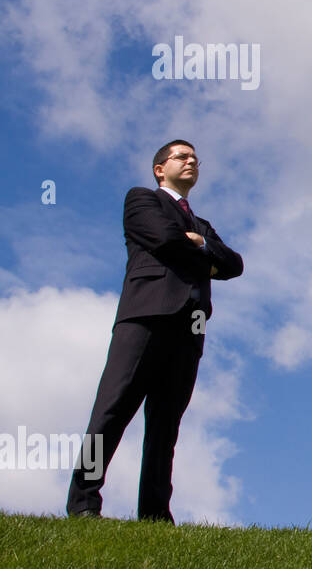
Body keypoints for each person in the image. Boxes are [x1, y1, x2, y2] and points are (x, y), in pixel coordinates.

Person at [66, 139, 243, 523]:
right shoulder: (141, 199)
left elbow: (235, 265)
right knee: (111, 412)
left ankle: (155, 516)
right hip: (144, 319)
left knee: (165, 427)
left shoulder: (203, 225)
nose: (192, 160)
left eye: (196, 157)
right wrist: (203, 254)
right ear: (160, 169)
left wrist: (201, 245)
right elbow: (163, 240)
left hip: (189, 330)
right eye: (182, 156)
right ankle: (83, 502)